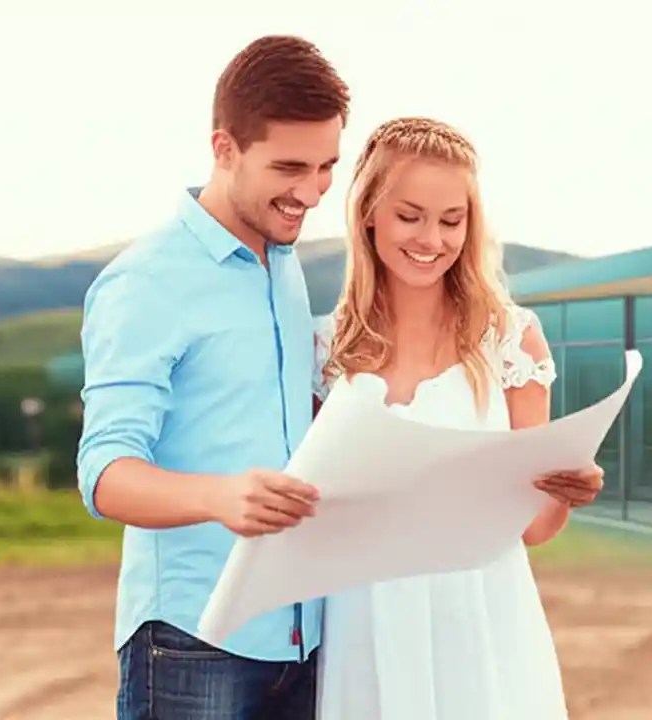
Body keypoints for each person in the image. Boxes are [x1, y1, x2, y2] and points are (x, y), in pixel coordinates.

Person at [75, 35, 349, 719]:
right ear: (224, 149)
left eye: (326, 167)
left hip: (304, 638)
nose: (311, 192)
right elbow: (104, 472)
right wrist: (220, 496)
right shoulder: (144, 282)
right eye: (290, 167)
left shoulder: (281, 264)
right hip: (192, 643)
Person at [311, 117, 606, 719]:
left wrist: (566, 490)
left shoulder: (511, 340)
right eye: (410, 215)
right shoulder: (325, 350)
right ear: (368, 212)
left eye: (452, 220)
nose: (431, 239)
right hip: (366, 625)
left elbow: (533, 529)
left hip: (484, 621)